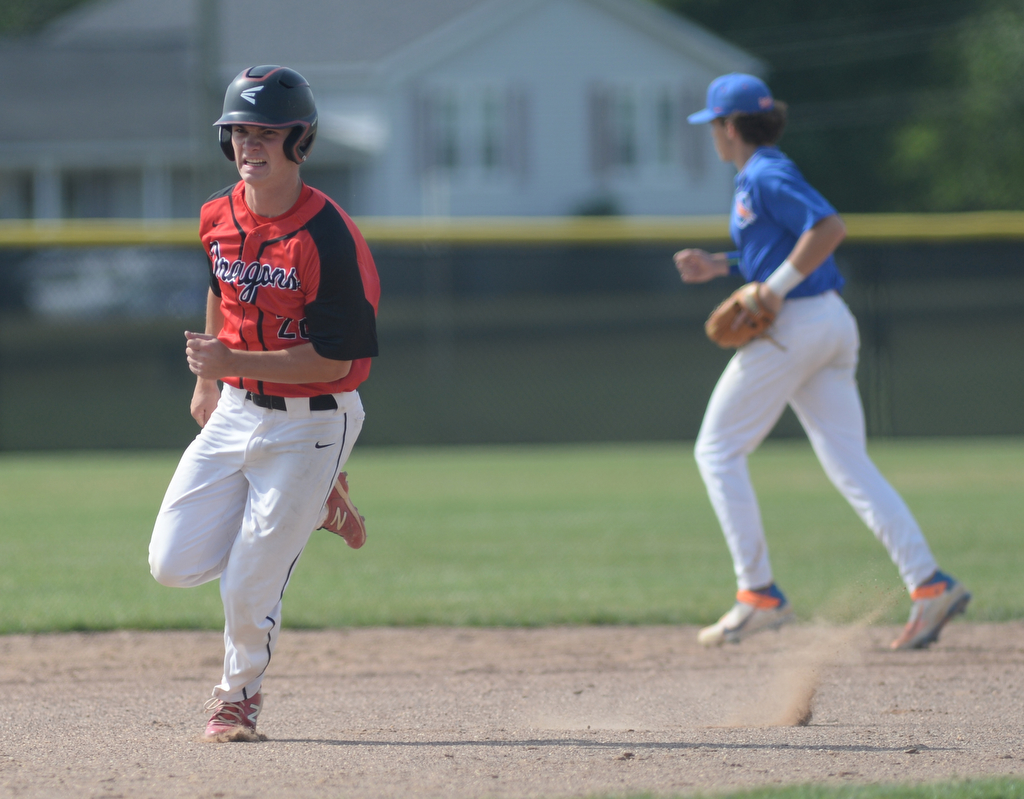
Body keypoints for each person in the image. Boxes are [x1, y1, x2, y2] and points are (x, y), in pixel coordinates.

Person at [675, 73, 969, 650]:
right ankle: (929, 585)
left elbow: (828, 227)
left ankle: (758, 593)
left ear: (730, 127)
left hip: (797, 324)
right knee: (849, 464)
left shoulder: (764, 171)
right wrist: (725, 266)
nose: (713, 134)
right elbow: (780, 244)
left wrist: (775, 289)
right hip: (828, 321)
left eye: (713, 124)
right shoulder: (761, 173)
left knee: (717, 449)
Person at [149, 65, 380, 741]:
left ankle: (236, 699)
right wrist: (208, 381)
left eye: (268, 133)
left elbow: (335, 362)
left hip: (315, 420)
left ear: (300, 141)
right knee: (171, 563)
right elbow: (222, 284)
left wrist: (229, 363)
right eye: (240, 132)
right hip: (237, 410)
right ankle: (310, 506)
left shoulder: (328, 237)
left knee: (250, 580)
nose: (251, 145)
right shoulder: (218, 212)